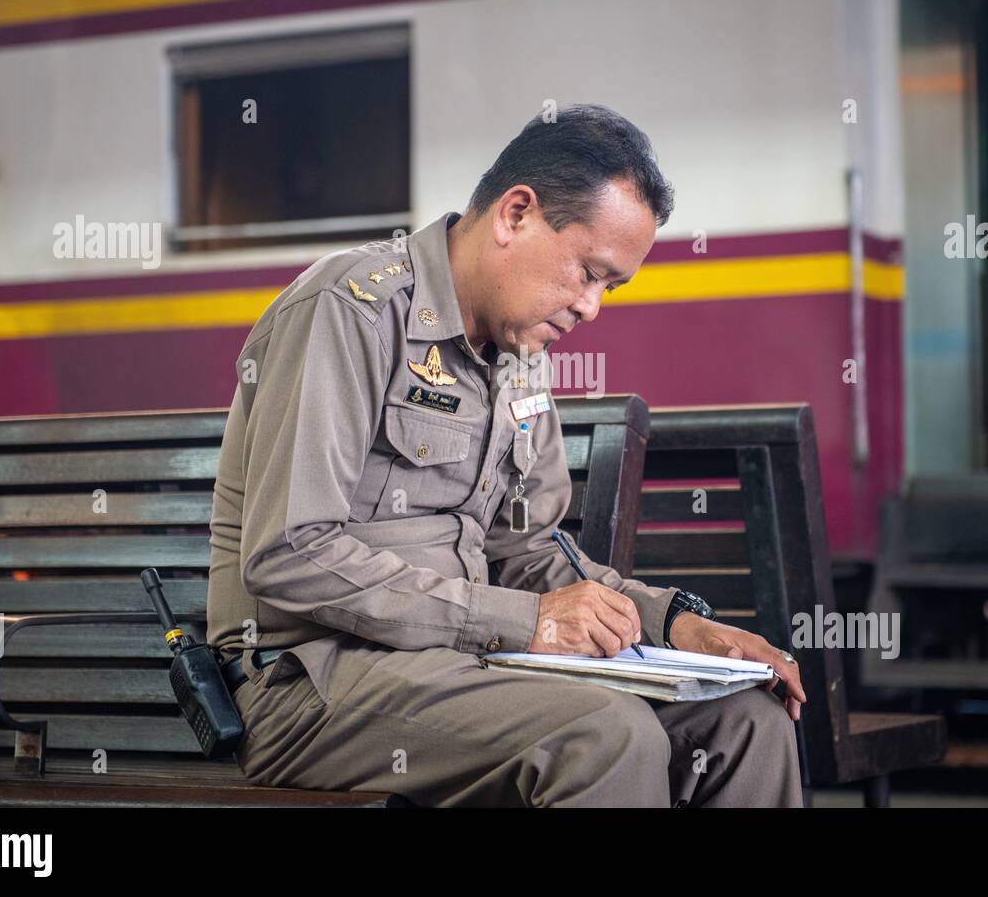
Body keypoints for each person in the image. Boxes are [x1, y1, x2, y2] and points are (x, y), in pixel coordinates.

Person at [207, 104, 805, 806]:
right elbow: (289, 550)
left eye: (609, 287)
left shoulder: (518, 357)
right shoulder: (350, 311)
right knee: (606, 737)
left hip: (464, 664)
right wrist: (524, 623)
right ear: (515, 214)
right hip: (309, 681)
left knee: (747, 723)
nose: (591, 308)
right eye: (588, 272)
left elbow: (526, 552)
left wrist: (673, 621)